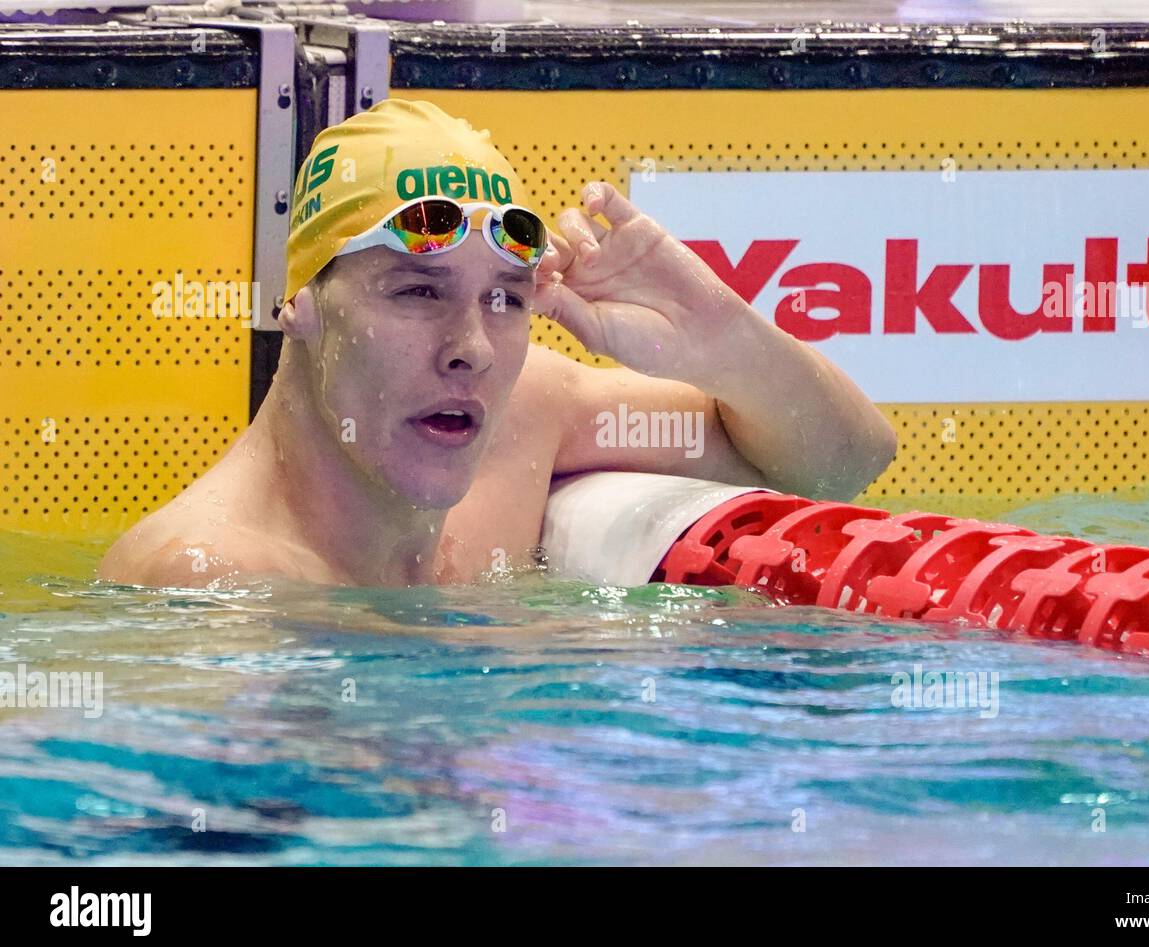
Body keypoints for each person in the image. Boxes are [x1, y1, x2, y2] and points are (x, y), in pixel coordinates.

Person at [97, 98, 896, 589]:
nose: (471, 349)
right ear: (300, 307)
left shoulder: (528, 414)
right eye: (417, 291)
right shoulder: (213, 583)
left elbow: (841, 462)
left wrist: (720, 339)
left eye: (505, 299)